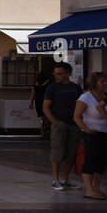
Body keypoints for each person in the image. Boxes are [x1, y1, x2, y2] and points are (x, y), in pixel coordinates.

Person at [43, 61, 83, 191]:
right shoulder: (52, 88)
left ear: (68, 74)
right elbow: (46, 107)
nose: (56, 76)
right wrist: (54, 122)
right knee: (57, 152)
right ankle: (55, 179)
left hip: (73, 124)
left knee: (70, 153)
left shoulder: (76, 88)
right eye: (55, 74)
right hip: (59, 123)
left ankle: (65, 179)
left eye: (60, 74)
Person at [72, 71, 107, 200]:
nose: (105, 84)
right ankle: (89, 190)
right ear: (94, 83)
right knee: (91, 160)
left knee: (103, 162)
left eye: (106, 81)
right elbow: (77, 117)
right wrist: (87, 130)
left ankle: (97, 188)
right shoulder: (86, 98)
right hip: (92, 134)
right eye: (102, 81)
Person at [30, 67, 53, 141]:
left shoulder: (36, 85)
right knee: (48, 119)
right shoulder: (49, 84)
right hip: (48, 102)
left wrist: (31, 103)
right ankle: (47, 133)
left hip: (39, 103)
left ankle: (43, 133)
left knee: (43, 119)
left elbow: (33, 95)